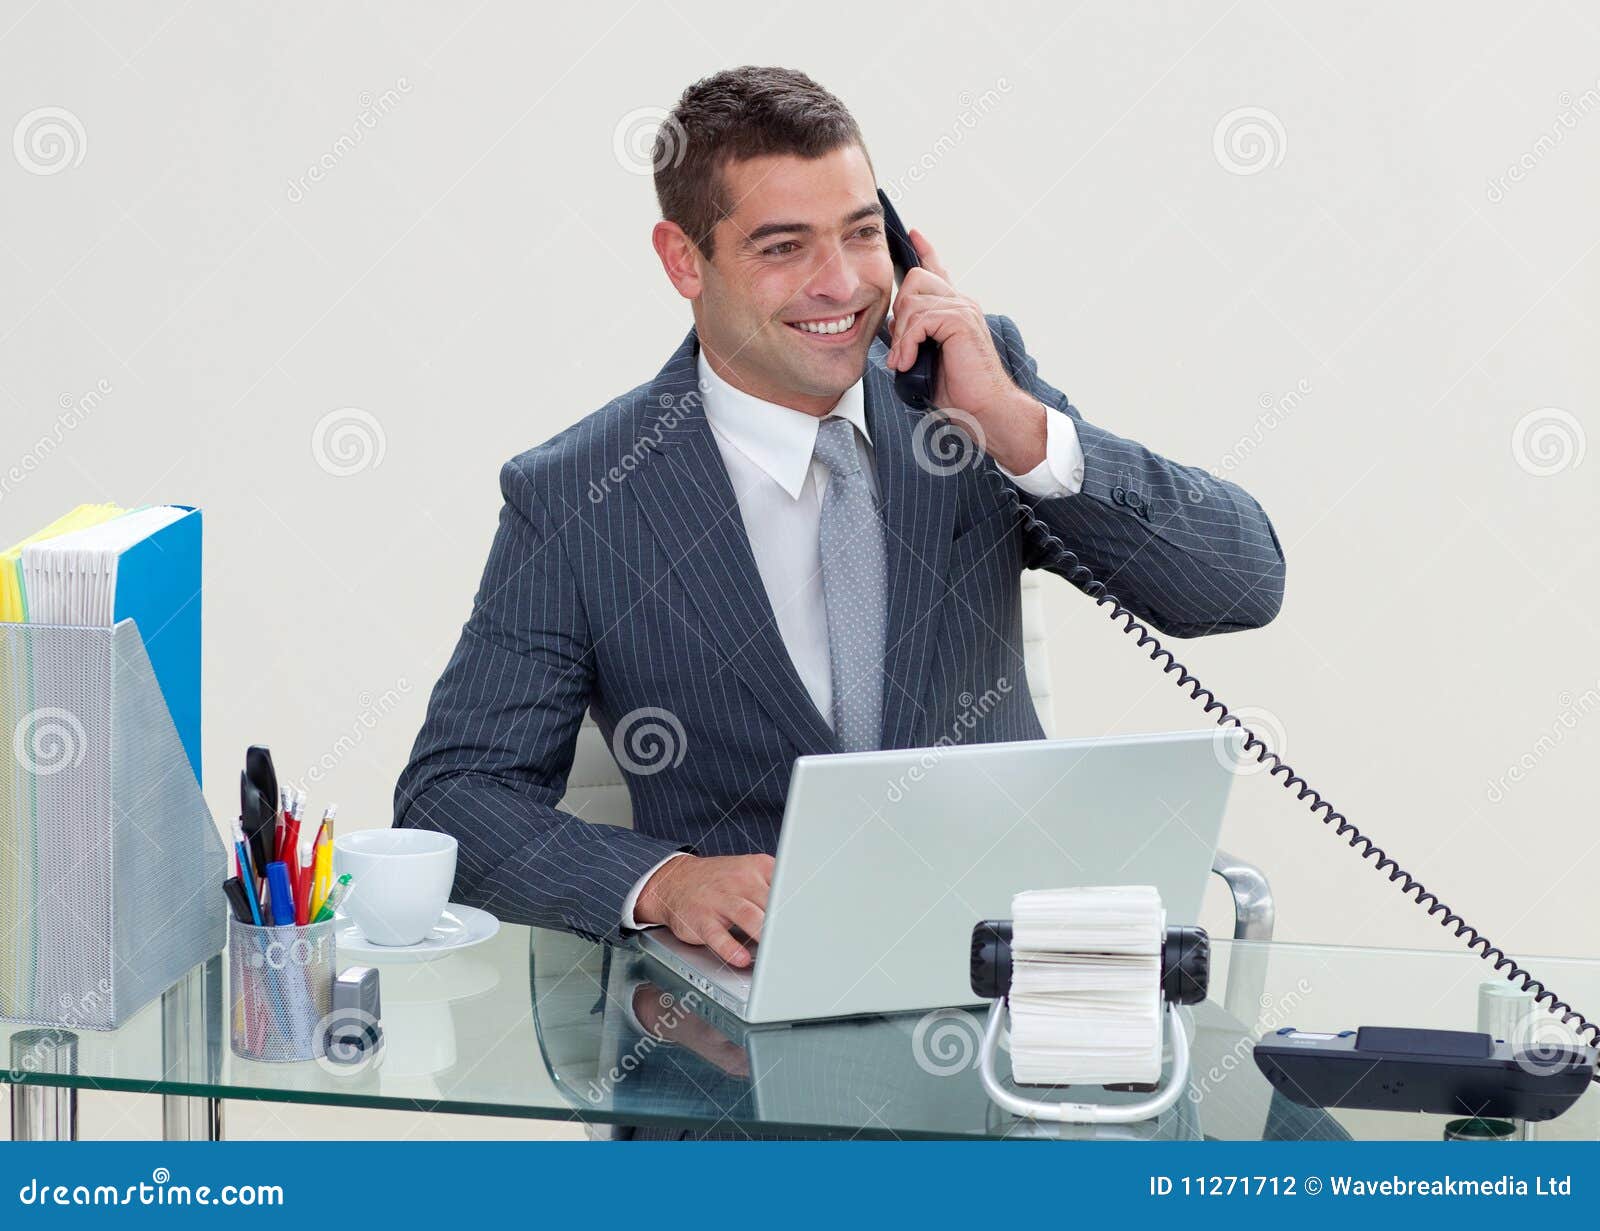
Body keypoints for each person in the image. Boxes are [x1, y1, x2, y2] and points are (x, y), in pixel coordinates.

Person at [394, 65, 1285, 972]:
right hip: (742, 1023)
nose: (842, 283)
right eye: (784, 247)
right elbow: (454, 796)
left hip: (1011, 988)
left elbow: (1241, 583)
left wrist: (1013, 426)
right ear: (681, 259)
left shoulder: (971, 395)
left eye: (863, 235)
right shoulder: (581, 494)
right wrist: (665, 883)